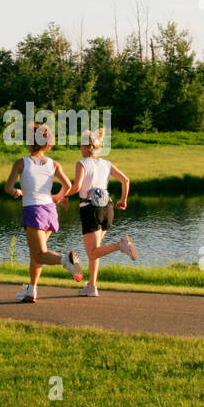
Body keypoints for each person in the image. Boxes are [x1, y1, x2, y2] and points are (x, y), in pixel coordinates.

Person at [3, 123, 82, 303]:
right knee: (36, 254)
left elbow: (8, 187)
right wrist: (57, 197)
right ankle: (31, 291)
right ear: (47, 143)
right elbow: (68, 186)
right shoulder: (54, 164)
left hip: (33, 210)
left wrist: (15, 192)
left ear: (30, 142)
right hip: (50, 210)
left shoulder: (21, 163)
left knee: (39, 254)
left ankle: (67, 259)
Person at [67, 127, 137, 297]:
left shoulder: (82, 163)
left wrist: (60, 195)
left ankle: (120, 245)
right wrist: (123, 200)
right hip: (107, 209)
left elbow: (76, 187)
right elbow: (125, 180)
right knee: (95, 251)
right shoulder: (106, 163)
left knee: (92, 252)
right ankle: (91, 286)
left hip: (90, 209)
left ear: (85, 146)